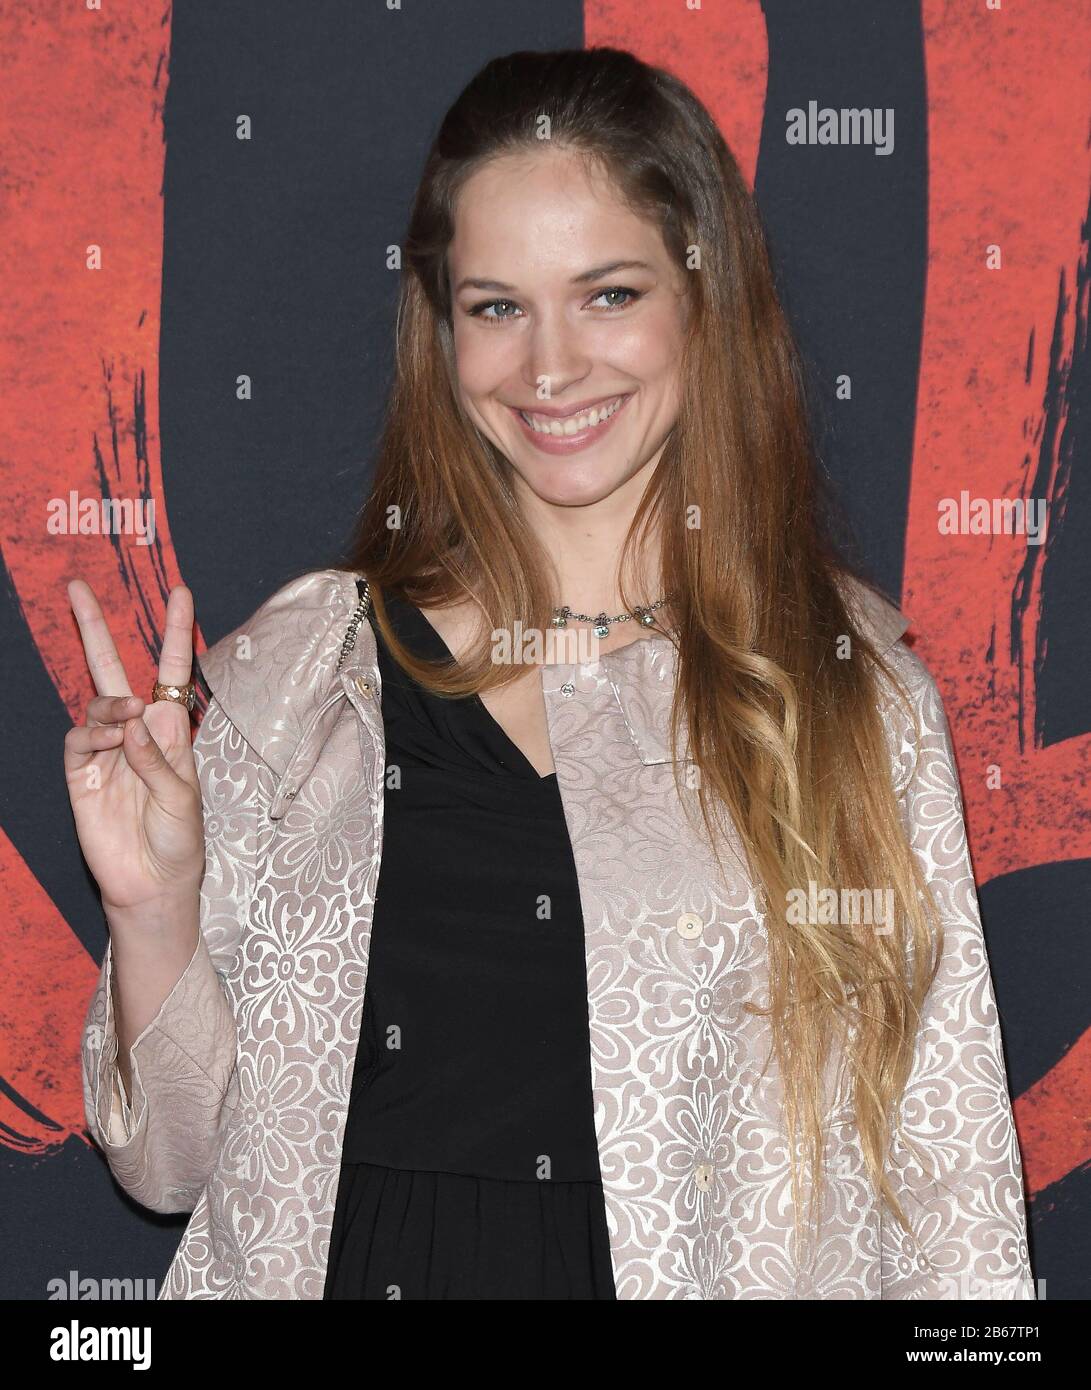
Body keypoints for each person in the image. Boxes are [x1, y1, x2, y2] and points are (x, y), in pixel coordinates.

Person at [68, 46, 1034, 1300]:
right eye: (497, 305)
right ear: (444, 328)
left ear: (705, 299)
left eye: (608, 294)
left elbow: (950, 1193)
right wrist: (155, 912)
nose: (549, 368)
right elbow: (165, 1168)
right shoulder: (303, 680)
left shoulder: (847, 695)